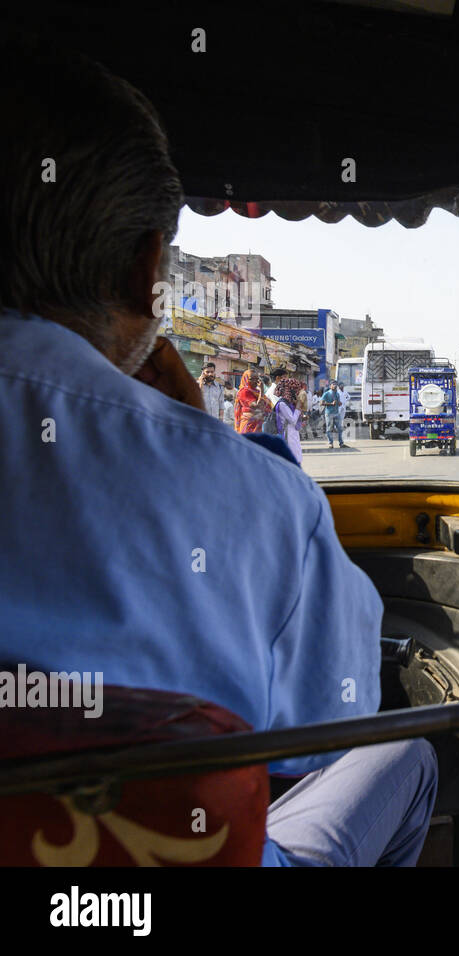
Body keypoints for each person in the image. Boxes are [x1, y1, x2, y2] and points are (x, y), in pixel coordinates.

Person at [0, 39, 435, 867]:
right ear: (145, 274)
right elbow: (324, 724)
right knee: (402, 757)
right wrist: (208, 443)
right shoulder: (253, 496)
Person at [271, 376, 306, 464]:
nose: (297, 392)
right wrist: (298, 407)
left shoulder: (288, 403)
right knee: (293, 458)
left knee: (296, 457)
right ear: (289, 390)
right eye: (295, 390)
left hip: (292, 433)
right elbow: (293, 420)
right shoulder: (282, 404)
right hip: (287, 433)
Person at [235, 367, 271, 434]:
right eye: (251, 379)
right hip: (249, 425)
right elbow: (257, 406)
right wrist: (262, 390)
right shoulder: (244, 392)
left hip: (258, 424)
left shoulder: (257, 391)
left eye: (257, 379)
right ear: (245, 379)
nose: (255, 381)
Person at [320, 379, 347, 449]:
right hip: (329, 413)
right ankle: (330, 443)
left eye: (335, 384)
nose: (335, 386)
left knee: (340, 428)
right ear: (330, 386)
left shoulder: (337, 393)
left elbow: (338, 402)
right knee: (329, 429)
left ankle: (341, 443)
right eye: (333, 384)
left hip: (336, 413)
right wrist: (330, 404)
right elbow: (321, 403)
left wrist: (339, 403)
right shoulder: (327, 393)